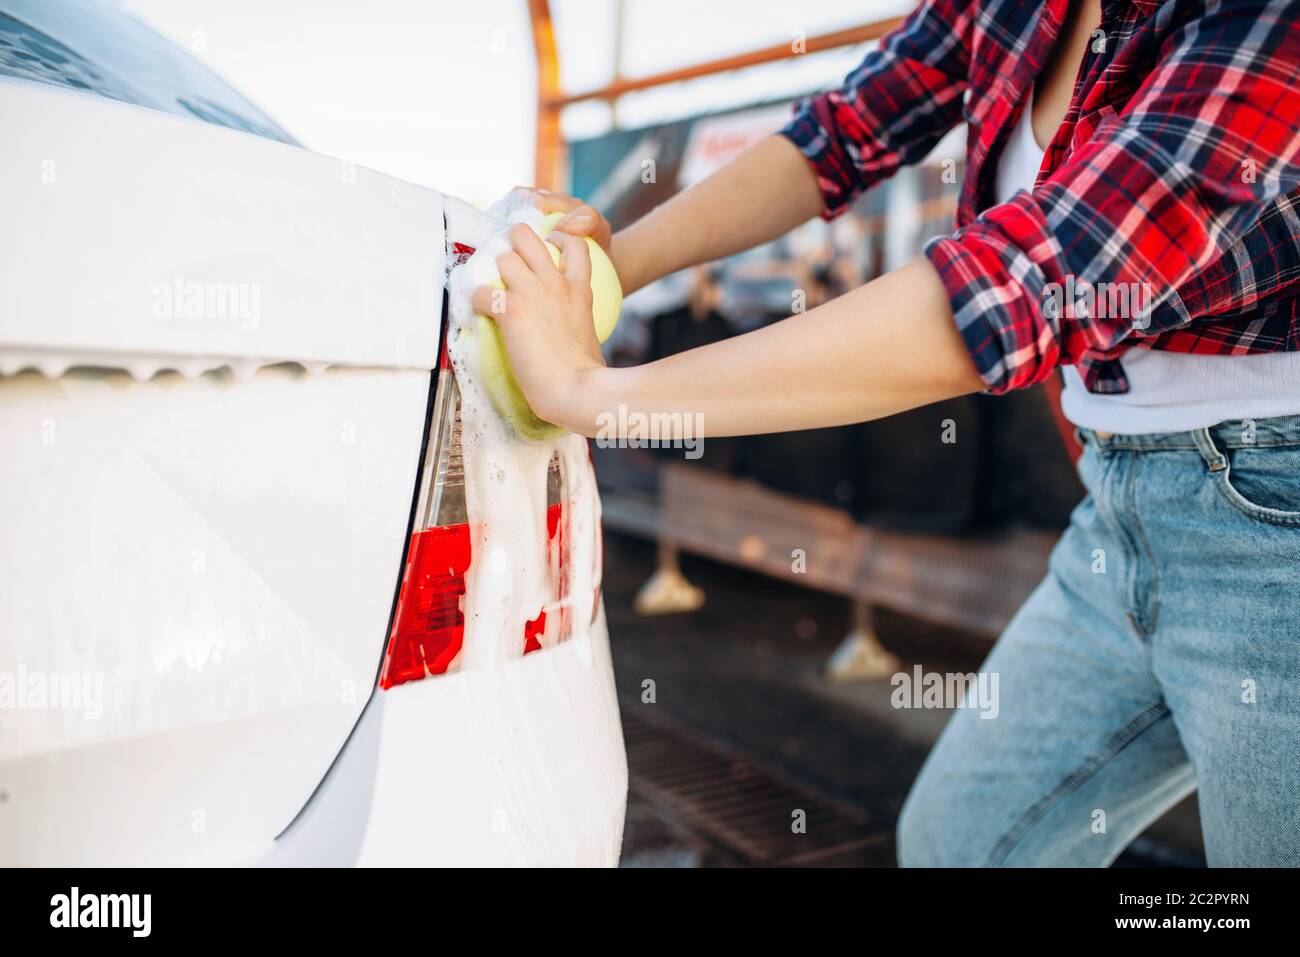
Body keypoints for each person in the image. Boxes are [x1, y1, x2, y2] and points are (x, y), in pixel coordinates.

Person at [473, 0, 1300, 866]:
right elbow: (840, 132)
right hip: (1121, 506)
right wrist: (609, 264)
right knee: (960, 843)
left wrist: (594, 394)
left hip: (1272, 526)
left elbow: (1019, 286)